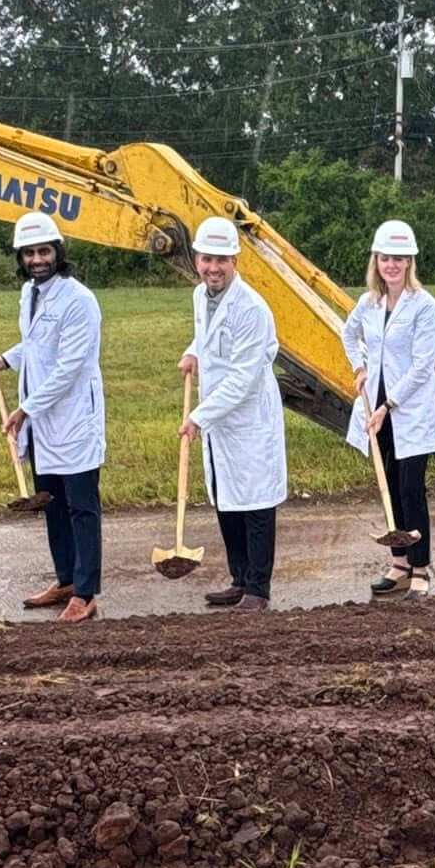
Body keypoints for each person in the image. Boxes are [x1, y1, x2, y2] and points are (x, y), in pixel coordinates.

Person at [0, 211, 105, 622]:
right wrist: (6, 358)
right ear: (21, 257)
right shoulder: (29, 294)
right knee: (51, 503)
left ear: (58, 252)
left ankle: (85, 594)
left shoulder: (79, 300)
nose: (37, 259)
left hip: (73, 419)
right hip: (43, 422)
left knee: (81, 507)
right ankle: (66, 579)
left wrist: (24, 409)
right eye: (30, 253)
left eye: (44, 251)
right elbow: (36, 344)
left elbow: (68, 366)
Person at [179, 216, 287, 612]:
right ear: (197, 260)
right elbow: (208, 336)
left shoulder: (252, 308)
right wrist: (193, 351)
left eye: (222, 259)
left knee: (255, 501)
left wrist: (198, 416)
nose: (213, 267)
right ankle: (239, 579)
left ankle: (258, 588)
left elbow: (243, 378)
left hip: (248, 419)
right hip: (219, 418)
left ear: (235, 261)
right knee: (226, 497)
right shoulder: (199, 295)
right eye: (207, 259)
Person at [343, 220, 435, 598]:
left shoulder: (424, 305)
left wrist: (389, 404)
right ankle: (399, 562)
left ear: (410, 262)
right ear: (377, 261)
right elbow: (348, 333)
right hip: (376, 410)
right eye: (386, 258)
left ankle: (421, 568)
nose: (392, 265)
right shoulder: (369, 302)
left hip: (408, 410)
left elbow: (422, 365)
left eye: (400, 259)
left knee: (411, 488)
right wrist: (359, 366)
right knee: (391, 491)